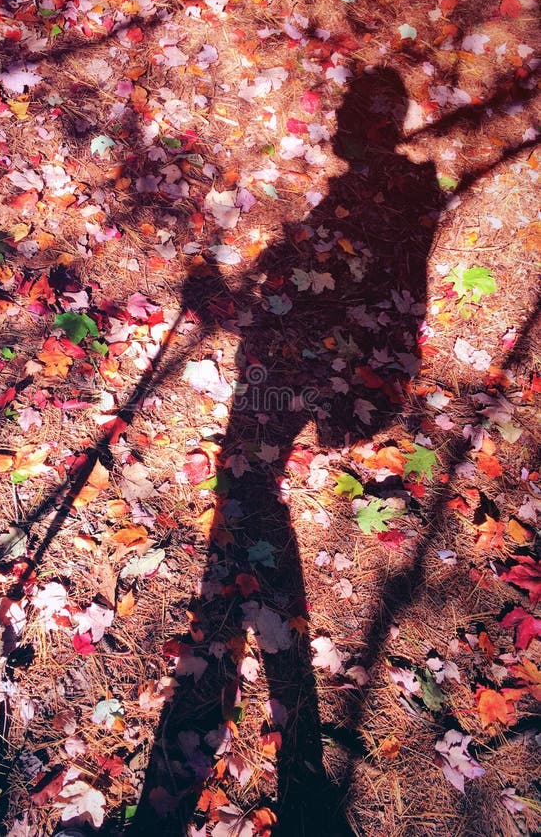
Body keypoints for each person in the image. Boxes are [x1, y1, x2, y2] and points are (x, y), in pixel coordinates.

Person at [118, 68, 442, 836]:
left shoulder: (382, 199)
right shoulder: (395, 196)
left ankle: (288, 763)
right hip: (359, 370)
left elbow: (316, 292)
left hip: (331, 372)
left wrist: (227, 302)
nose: (343, 128)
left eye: (353, 116)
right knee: (251, 489)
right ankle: (297, 766)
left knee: (248, 485)